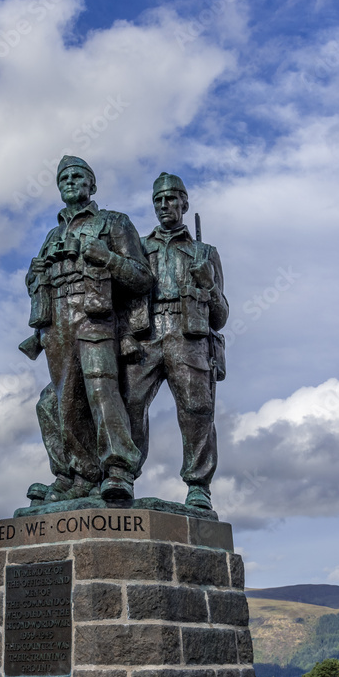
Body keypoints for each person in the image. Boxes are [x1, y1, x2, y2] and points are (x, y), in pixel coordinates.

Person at [20, 155, 152, 502]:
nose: (69, 181)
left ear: (92, 185)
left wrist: (106, 257)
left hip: (95, 315)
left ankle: (118, 471)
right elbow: (37, 282)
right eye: (63, 177)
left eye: (78, 176)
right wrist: (34, 275)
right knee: (62, 401)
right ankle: (78, 476)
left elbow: (142, 278)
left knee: (100, 389)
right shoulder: (52, 235)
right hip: (57, 322)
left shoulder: (113, 222)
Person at [122, 172, 228, 512]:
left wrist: (208, 284)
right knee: (129, 404)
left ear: (184, 203)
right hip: (146, 333)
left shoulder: (205, 251)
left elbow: (221, 316)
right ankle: (123, 475)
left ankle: (198, 486)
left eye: (170, 198)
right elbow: (122, 299)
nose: (164, 205)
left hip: (188, 334)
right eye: (158, 200)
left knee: (197, 409)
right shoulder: (138, 246)